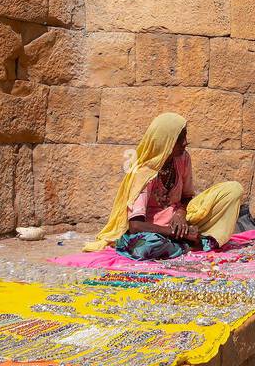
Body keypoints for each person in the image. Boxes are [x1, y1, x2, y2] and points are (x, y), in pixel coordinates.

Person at [85, 111, 244, 259]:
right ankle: (190, 244)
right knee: (144, 247)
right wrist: (175, 233)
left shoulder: (183, 159)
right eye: (180, 139)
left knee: (233, 190)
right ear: (166, 142)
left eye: (185, 136)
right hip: (155, 230)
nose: (185, 143)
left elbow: (188, 197)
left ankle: (192, 240)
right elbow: (135, 225)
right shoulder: (143, 173)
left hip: (182, 221)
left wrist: (180, 214)